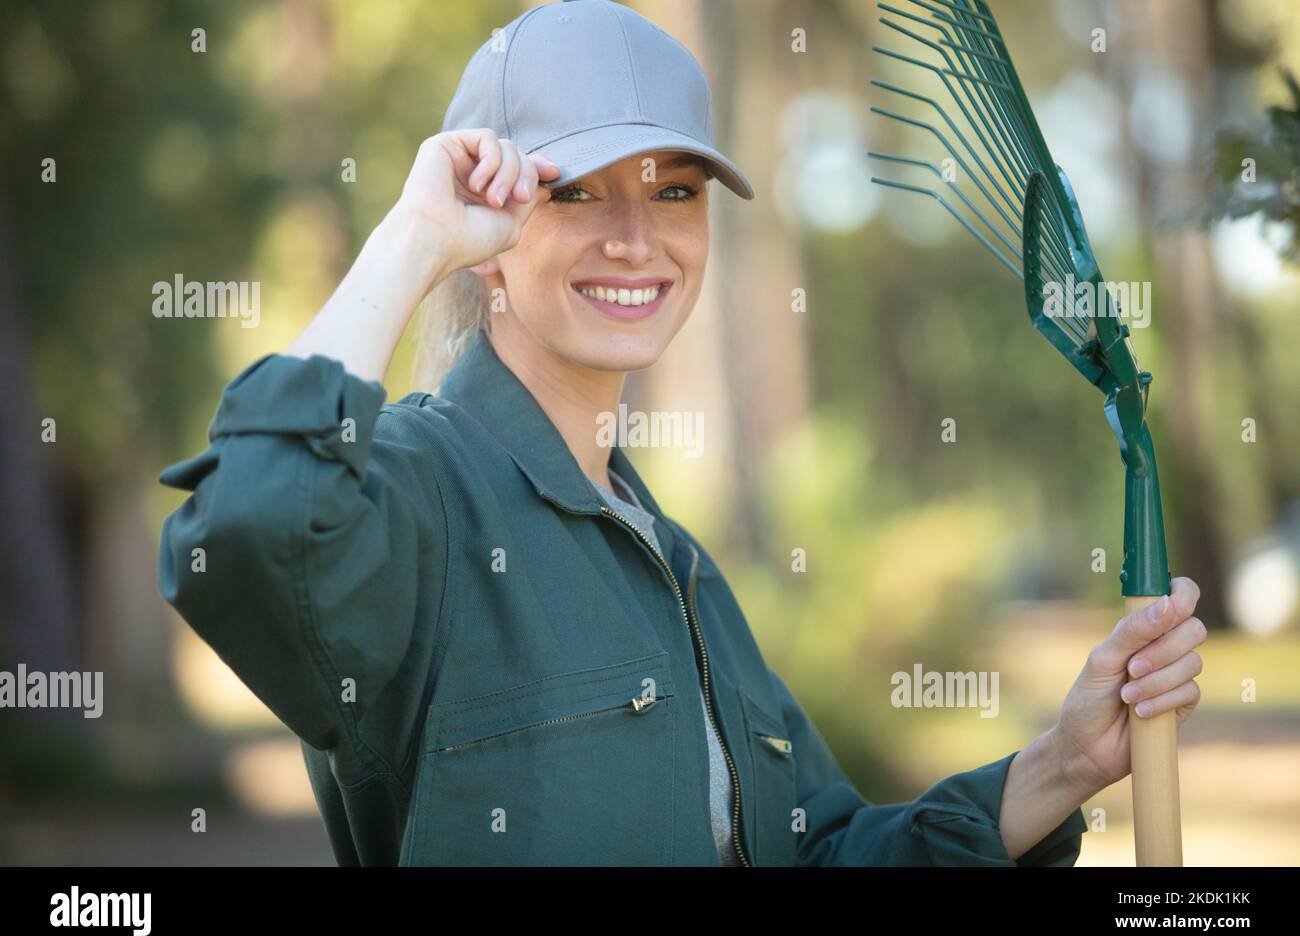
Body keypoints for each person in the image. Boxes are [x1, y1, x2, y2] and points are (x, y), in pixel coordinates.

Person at [156, 0, 1204, 866]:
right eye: (572, 191)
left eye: (674, 189)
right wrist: (413, 237)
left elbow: (816, 852)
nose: (636, 237)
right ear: (489, 237)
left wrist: (1062, 761)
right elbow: (244, 527)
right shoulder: (418, 489)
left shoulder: (676, 568)